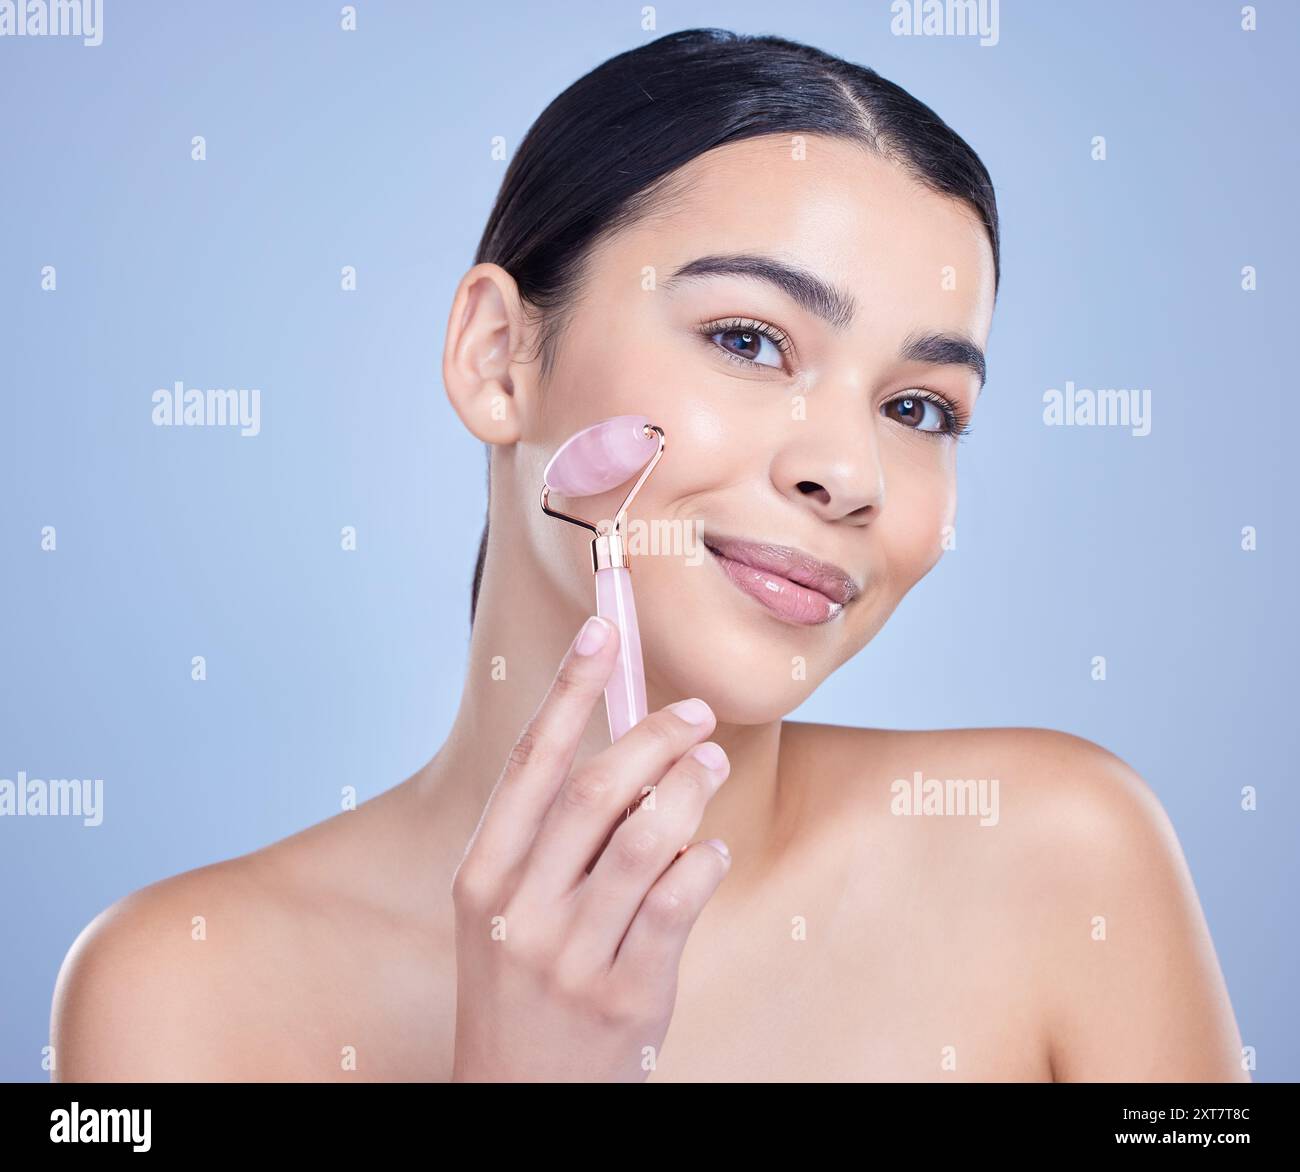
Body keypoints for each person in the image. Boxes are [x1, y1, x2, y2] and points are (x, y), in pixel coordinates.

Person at [50, 28, 1246, 1082]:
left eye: (920, 408)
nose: (852, 472)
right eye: (747, 338)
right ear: (497, 358)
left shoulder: (1059, 855)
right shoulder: (178, 992)